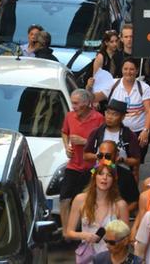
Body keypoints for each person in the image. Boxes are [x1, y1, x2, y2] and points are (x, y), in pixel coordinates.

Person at [64, 159, 129, 262]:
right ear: (94, 177)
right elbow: (69, 232)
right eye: (100, 174)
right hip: (87, 258)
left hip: (110, 259)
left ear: (114, 180)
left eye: (109, 175)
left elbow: (125, 239)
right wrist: (84, 235)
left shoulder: (120, 205)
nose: (104, 178)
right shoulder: (80, 200)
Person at [60, 89, 105, 236]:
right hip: (73, 165)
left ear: (86, 103)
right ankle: (67, 232)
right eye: (72, 103)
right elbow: (64, 132)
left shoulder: (98, 119)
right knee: (64, 198)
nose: (73, 106)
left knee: (86, 200)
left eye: (76, 103)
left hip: (91, 167)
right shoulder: (69, 116)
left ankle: (82, 230)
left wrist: (84, 141)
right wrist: (67, 147)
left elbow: (103, 144)